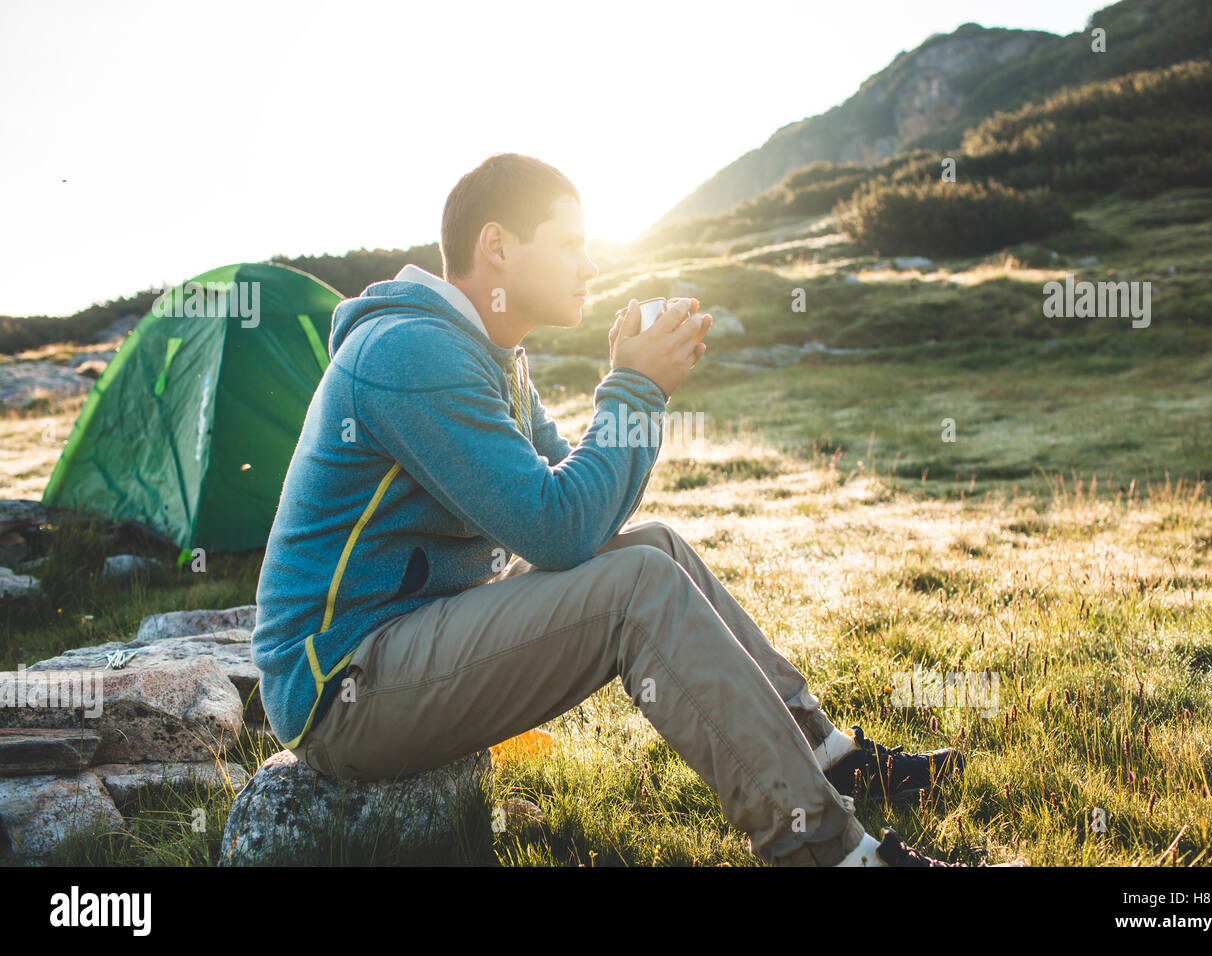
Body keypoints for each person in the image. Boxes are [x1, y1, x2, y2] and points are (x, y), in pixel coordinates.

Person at [250, 151, 974, 867]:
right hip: (342, 687)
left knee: (652, 547)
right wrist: (633, 391)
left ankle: (829, 755)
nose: (590, 266)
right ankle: (834, 858)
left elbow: (585, 512)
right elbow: (559, 530)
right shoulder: (409, 352)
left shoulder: (492, 354)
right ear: (496, 246)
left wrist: (631, 390)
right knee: (636, 589)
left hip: (407, 643)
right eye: (570, 244)